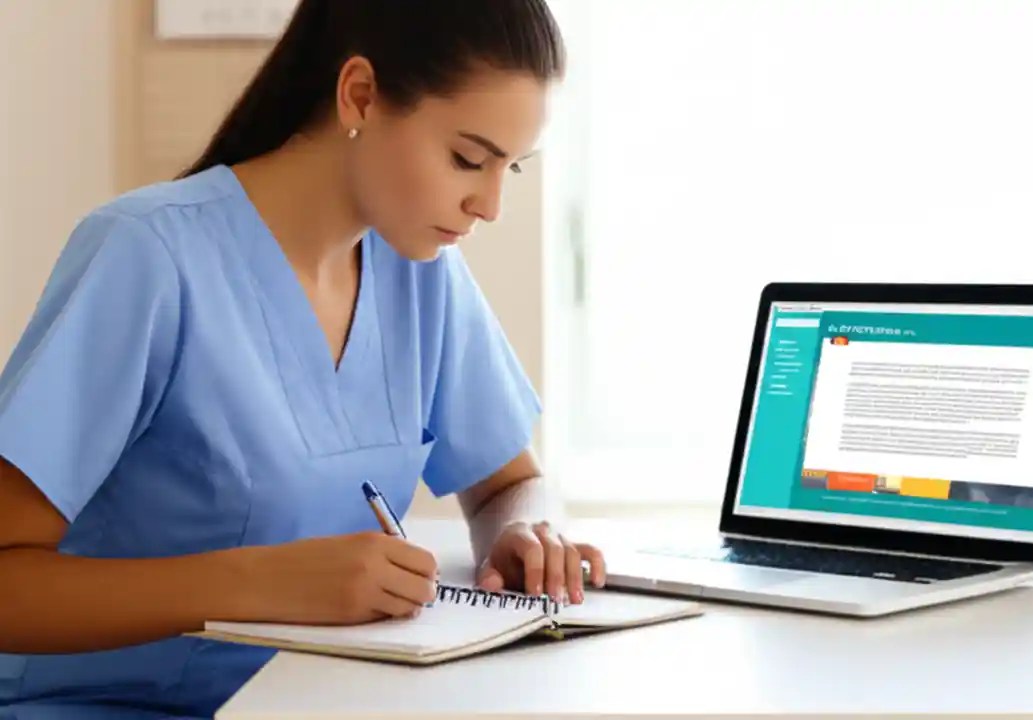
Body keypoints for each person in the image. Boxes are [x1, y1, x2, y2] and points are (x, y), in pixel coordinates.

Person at [0, 1, 603, 717]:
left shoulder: (420, 273)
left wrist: (522, 534)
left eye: (512, 168)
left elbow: (510, 482)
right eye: (468, 160)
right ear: (361, 95)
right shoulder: (147, 257)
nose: (490, 204)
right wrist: (259, 583)